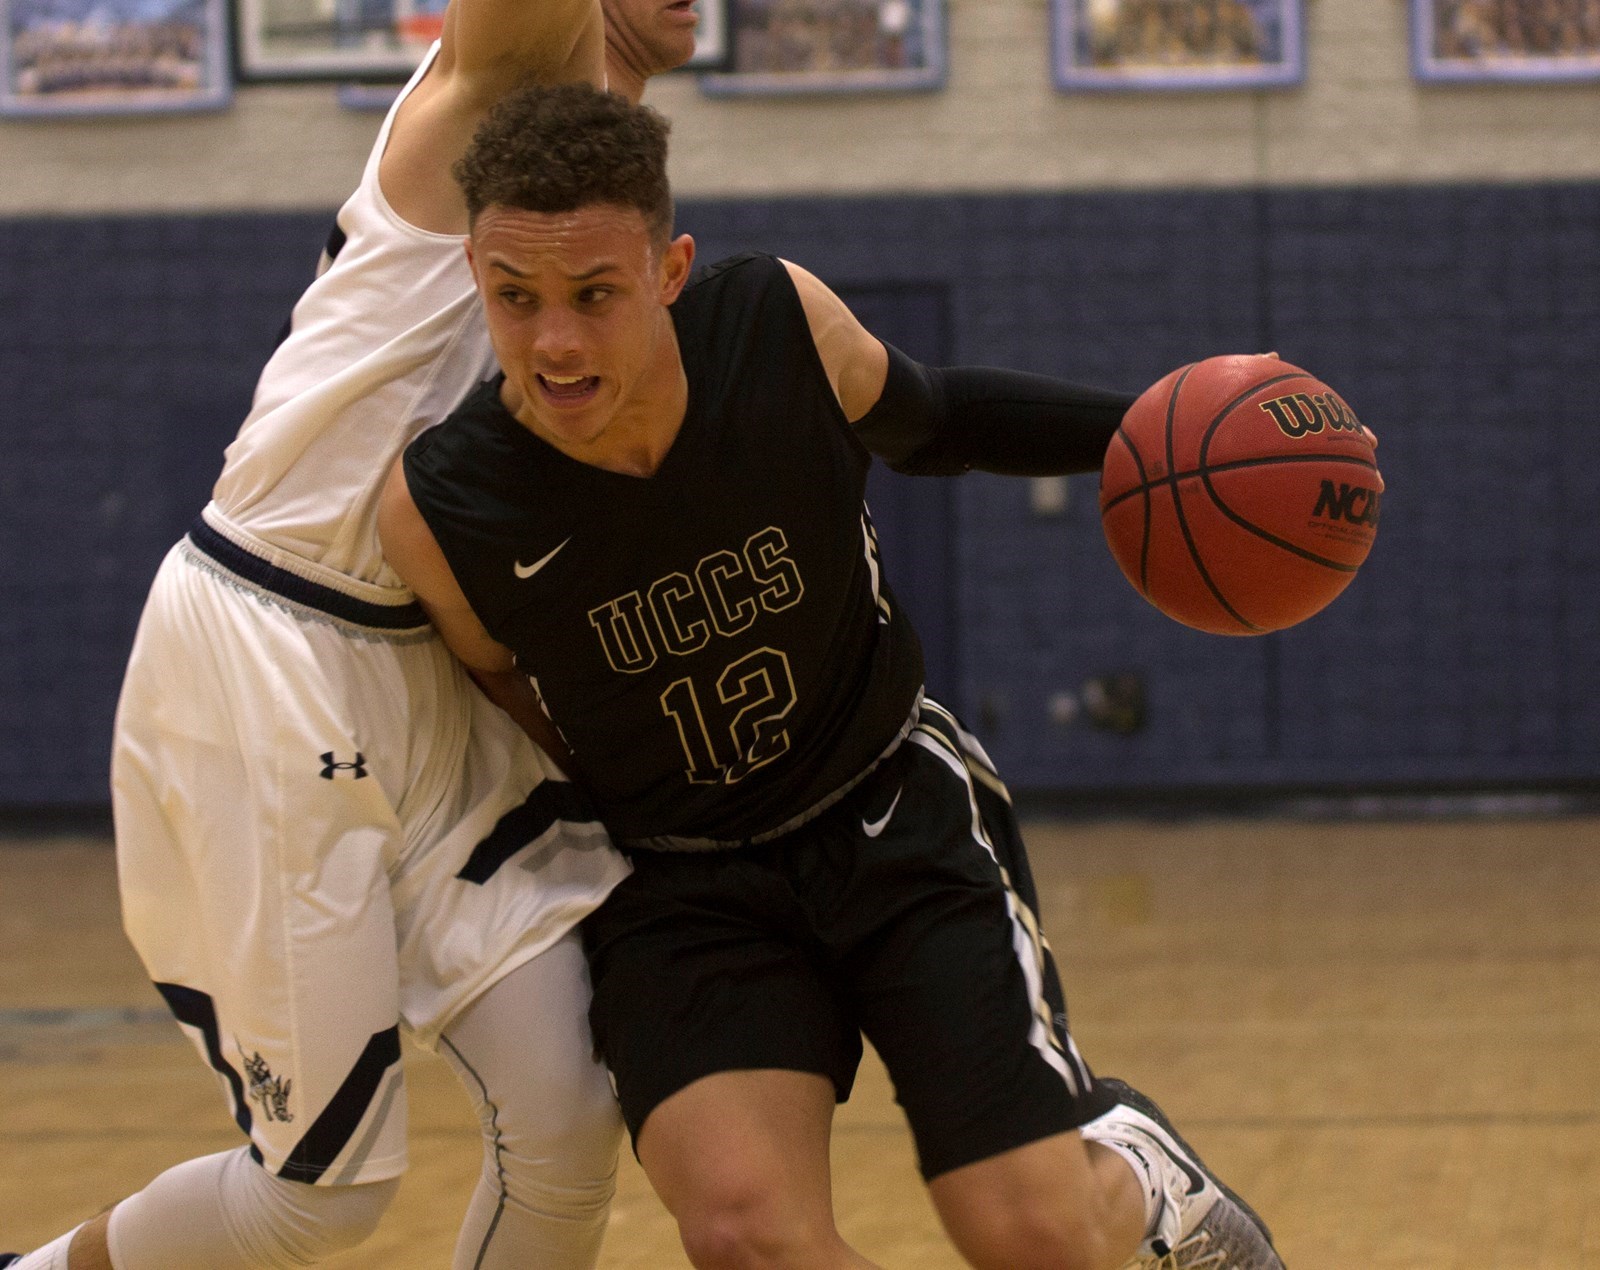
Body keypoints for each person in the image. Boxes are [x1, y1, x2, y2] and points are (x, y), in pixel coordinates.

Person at [377, 81, 1288, 1270]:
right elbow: (503, 691)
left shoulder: (772, 324)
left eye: (593, 294)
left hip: (886, 813)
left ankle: (1139, 1168)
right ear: (474, 276)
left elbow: (941, 419)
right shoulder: (441, 506)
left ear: (667, 270)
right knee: (749, 1239)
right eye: (514, 297)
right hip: (682, 883)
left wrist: (1165, 434)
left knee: (1033, 1235)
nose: (553, 340)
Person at [2, 7, 696, 1270]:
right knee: (315, 1196)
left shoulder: (599, 161)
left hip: (420, 669)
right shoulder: (491, 86)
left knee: (568, 1114)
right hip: (272, 644)